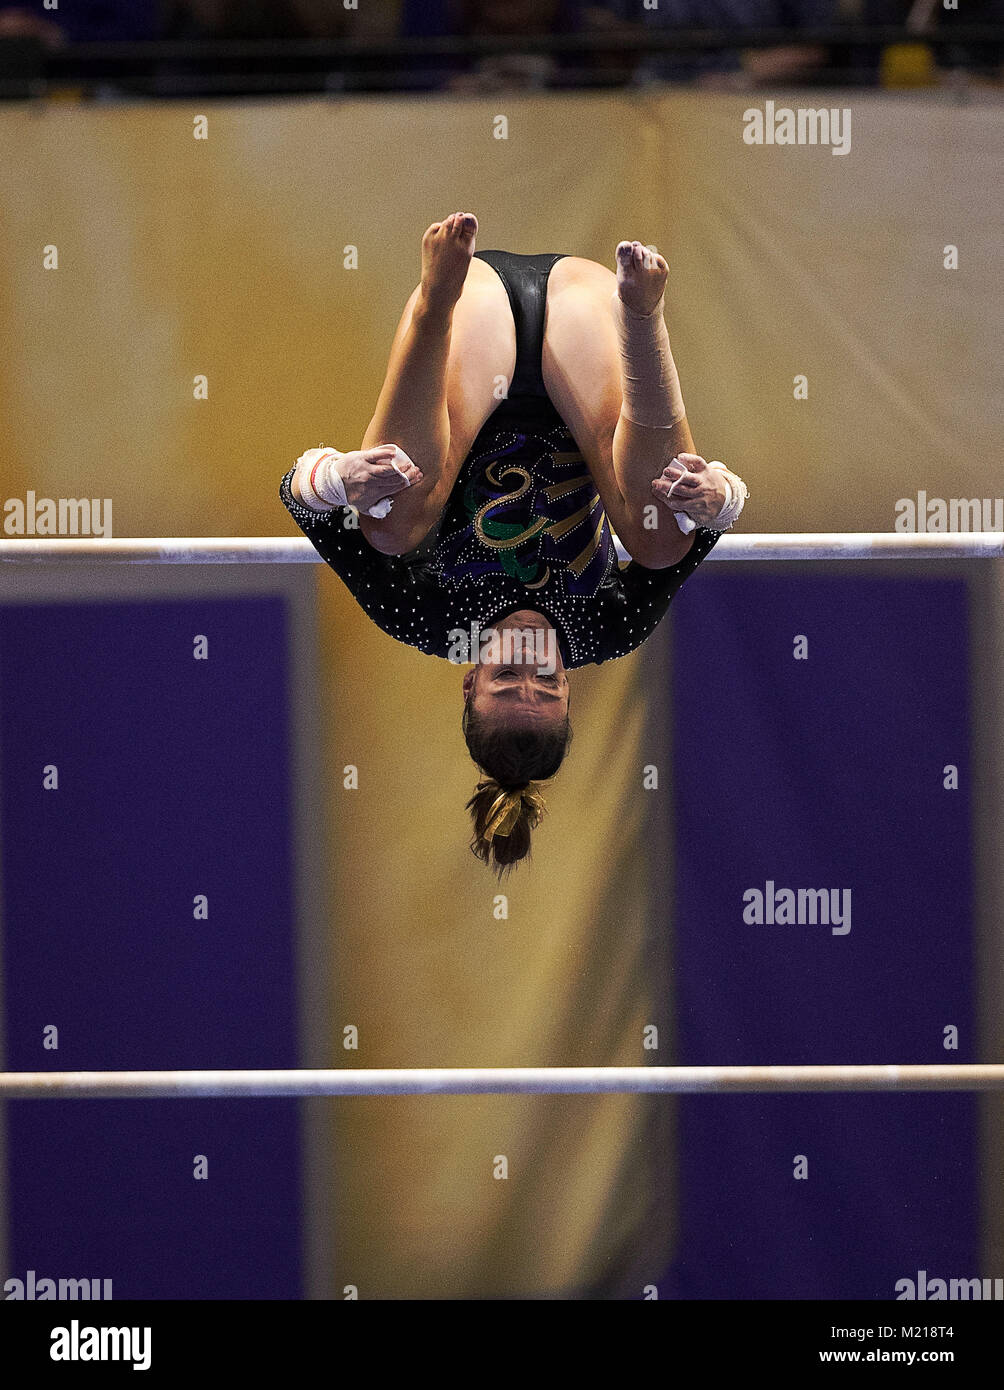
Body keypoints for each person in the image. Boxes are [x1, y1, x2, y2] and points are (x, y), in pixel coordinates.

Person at [279, 213, 748, 874]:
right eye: (547, 680)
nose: (529, 660)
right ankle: (643, 321)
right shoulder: (607, 628)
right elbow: (703, 530)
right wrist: (719, 495)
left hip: (476, 323)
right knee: (658, 541)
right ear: (569, 689)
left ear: (471, 683)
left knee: (388, 524)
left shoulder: (425, 619)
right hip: (586, 334)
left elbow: (295, 496)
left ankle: (429, 305)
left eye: (506, 677)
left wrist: (337, 479)